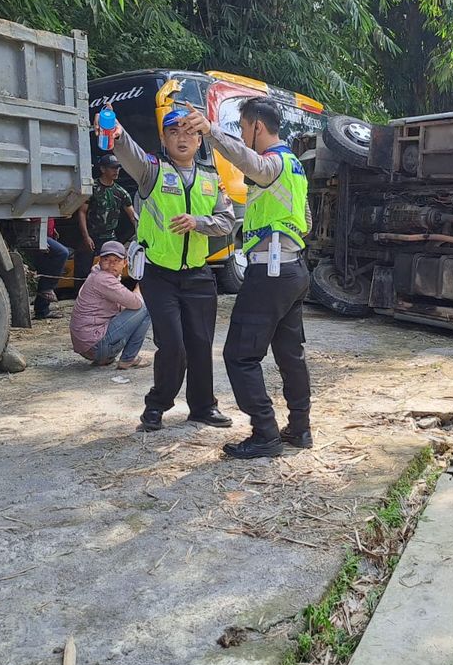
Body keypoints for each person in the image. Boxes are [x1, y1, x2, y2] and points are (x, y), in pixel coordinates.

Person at [183, 97, 312, 459]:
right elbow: (307, 218)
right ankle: (300, 429)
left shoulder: (272, 163)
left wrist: (210, 132)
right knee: (290, 354)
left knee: (239, 355)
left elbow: (248, 160)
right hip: (293, 269)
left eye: (242, 128)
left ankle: (265, 434)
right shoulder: (295, 165)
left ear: (257, 125)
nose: (242, 135)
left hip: (270, 273)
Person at [105, 104, 238, 431]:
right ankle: (157, 406)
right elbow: (128, 151)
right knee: (173, 345)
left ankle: (204, 407)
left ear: (198, 140)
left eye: (189, 132)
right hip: (159, 275)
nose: (182, 138)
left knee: (201, 343)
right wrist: (116, 131)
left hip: (198, 275)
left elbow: (226, 223)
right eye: (173, 132)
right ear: (164, 140)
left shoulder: (211, 177)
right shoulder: (151, 171)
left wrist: (198, 222)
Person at [69, 241, 152, 369]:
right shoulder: (103, 279)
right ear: (100, 261)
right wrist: (141, 285)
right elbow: (136, 304)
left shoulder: (98, 275)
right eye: (106, 259)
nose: (111, 264)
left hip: (89, 346)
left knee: (137, 309)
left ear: (125, 263)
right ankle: (128, 359)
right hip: (96, 346)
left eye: (116, 260)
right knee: (145, 308)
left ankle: (108, 357)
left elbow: (124, 308)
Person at [75, 154, 138, 285]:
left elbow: (133, 216)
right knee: (82, 271)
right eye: (112, 168)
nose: (116, 171)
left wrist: (140, 234)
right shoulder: (92, 188)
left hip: (110, 237)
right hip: (91, 235)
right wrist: (86, 236)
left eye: (118, 168)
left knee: (113, 270)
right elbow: (81, 212)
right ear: (103, 169)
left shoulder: (120, 192)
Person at [33, 217, 70, 319]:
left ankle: (42, 311)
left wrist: (51, 229)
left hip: (45, 234)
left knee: (46, 271)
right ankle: (47, 289)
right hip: (36, 234)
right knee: (62, 253)